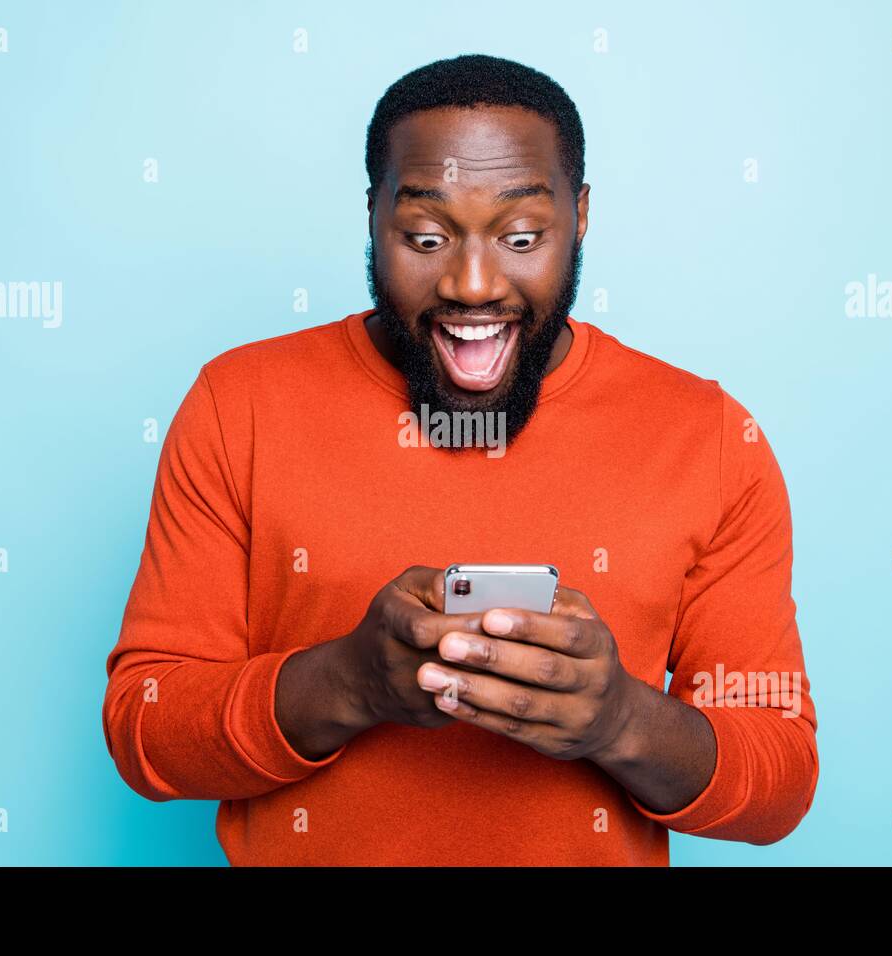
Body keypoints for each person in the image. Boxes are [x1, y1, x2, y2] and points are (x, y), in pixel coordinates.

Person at [102, 53, 818, 866]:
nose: (473, 285)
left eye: (520, 236)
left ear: (579, 218)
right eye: (426, 236)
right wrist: (350, 682)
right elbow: (144, 728)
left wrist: (619, 719)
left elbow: (781, 776)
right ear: (371, 217)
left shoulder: (710, 437)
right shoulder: (241, 404)